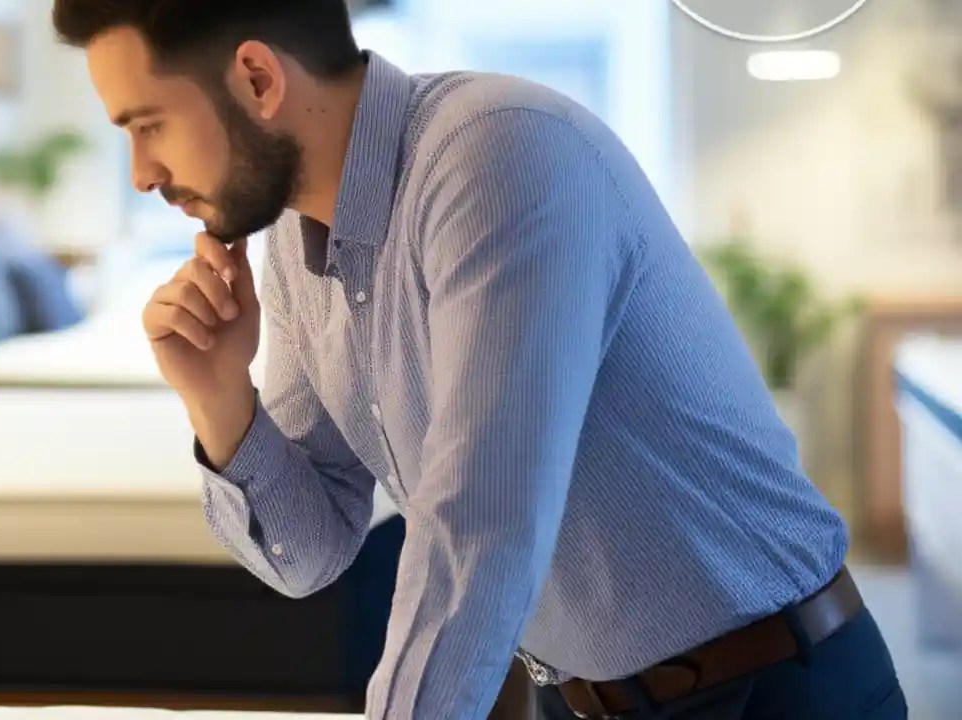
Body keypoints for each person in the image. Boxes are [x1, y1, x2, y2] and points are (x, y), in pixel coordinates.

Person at [52, 2, 908, 718]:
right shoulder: (291, 247)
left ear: (258, 79)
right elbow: (314, 554)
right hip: (582, 698)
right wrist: (218, 398)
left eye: (147, 124)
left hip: (769, 690)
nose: (140, 174)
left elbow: (478, 530)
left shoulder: (499, 154)